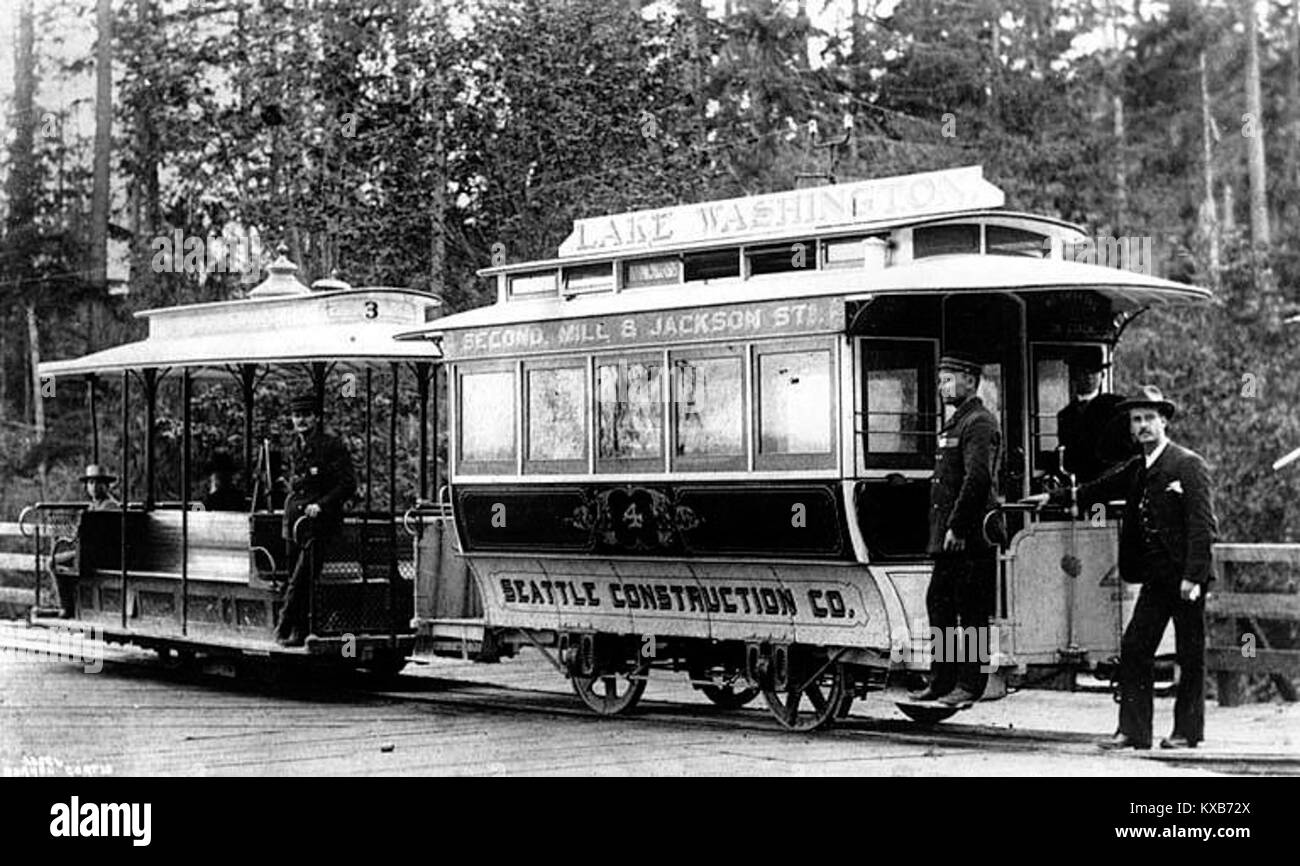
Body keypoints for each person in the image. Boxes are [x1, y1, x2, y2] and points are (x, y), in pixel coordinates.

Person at [1027, 385, 1217, 750]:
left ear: (1164, 421)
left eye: (1149, 418)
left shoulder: (1188, 464)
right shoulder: (1137, 467)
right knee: (1135, 648)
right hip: (1156, 579)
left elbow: (1202, 527)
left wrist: (1193, 578)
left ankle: (1187, 731)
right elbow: (1095, 489)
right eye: (1136, 420)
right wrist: (1055, 497)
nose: (1142, 426)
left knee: (1190, 654)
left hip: (1186, 578)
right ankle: (1133, 732)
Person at [909, 351, 1003, 707]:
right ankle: (943, 678)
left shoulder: (978, 422)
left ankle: (969, 683)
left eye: (949, 379)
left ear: (970, 381)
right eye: (941, 379)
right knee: (941, 602)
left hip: (970, 534)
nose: (942, 385)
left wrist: (957, 527)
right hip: (953, 534)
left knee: (972, 610)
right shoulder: (958, 422)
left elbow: (977, 479)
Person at [275, 393, 356, 647]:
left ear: (316, 417)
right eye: (297, 416)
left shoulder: (331, 446)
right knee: (295, 576)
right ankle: (300, 632)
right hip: (295, 522)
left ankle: (283, 624)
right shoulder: (295, 447)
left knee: (302, 576)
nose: (301, 420)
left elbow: (347, 484)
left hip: (319, 524)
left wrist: (321, 505)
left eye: (306, 415)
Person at [47, 464, 121, 617]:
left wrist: (80, 534)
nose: (94, 487)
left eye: (98, 483)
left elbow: (101, 537)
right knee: (57, 561)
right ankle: (70, 605)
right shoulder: (93, 506)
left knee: (54, 562)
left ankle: (67, 608)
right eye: (91, 483)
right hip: (90, 552)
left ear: (106, 486)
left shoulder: (110, 507)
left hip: (103, 556)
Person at [1056, 351, 1133, 483]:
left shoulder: (1116, 406)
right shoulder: (1065, 416)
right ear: (1074, 375)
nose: (1089, 377)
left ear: (1102, 376)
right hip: (1080, 483)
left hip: (1112, 482)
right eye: (1084, 372)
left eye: (1095, 372)